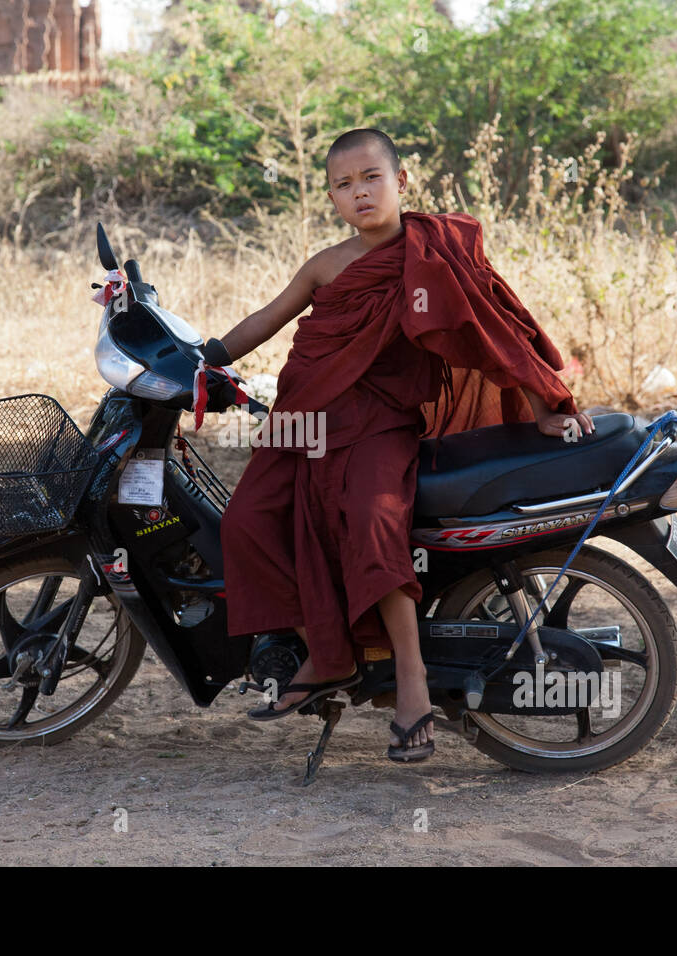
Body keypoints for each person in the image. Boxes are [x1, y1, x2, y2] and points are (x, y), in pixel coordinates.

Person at [209, 128, 594, 762]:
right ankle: (328, 655)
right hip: (301, 422)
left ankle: (412, 682)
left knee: (371, 521)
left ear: (401, 182)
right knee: (246, 524)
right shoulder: (325, 265)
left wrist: (542, 405)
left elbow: (492, 332)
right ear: (331, 196)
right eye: (343, 185)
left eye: (370, 178)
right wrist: (203, 359)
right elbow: (266, 318)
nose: (359, 193)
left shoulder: (433, 252)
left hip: (379, 424)